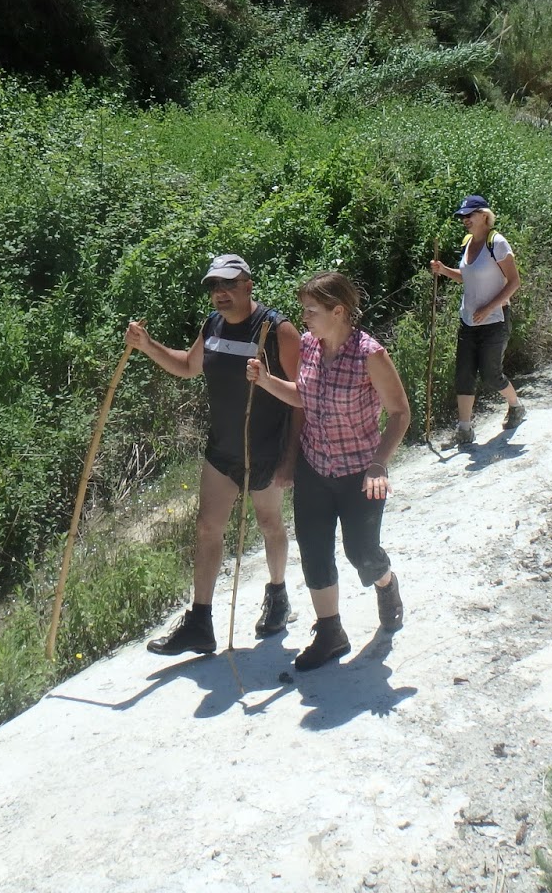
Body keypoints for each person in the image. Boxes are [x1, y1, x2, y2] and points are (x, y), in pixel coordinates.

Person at [126, 254, 301, 656]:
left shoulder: (277, 330)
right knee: (207, 528)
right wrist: (147, 345)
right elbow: (189, 367)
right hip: (222, 448)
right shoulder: (213, 326)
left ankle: (278, 595)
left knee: (269, 521)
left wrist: (290, 457)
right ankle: (200, 622)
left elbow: (301, 398)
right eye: (213, 286)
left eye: (228, 285)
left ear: (248, 285)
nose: (220, 293)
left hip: (266, 449)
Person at [246, 272, 410, 672]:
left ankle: (386, 583)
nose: (304, 318)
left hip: (360, 474)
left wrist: (378, 464)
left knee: (362, 553)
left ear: (339, 311)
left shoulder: (370, 354)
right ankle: (330, 631)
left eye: (311, 310)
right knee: (315, 553)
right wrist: (267, 382)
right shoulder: (309, 346)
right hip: (315, 467)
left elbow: (400, 413)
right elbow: (305, 395)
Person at [428, 194, 525, 447]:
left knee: (492, 375)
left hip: (495, 320)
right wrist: (444, 270)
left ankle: (516, 406)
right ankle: (465, 429)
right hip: (469, 320)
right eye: (462, 216)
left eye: (469, 215)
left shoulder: (498, 243)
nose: (465, 220)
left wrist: (489, 307)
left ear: (484, 215)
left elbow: (514, 282)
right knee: (464, 374)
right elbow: (466, 277)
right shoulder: (467, 242)